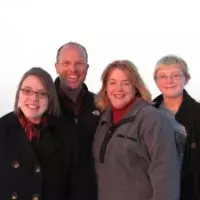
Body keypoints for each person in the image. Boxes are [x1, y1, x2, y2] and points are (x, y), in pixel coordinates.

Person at [0, 67, 96, 200]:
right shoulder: (3, 129)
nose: (34, 98)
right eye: (27, 91)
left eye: (42, 93)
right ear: (18, 94)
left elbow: (81, 188)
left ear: (50, 99)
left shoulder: (68, 134)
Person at [93, 60, 180, 200]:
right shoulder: (104, 121)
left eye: (126, 83)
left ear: (136, 87)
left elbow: (166, 176)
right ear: (105, 88)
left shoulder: (152, 120)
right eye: (112, 82)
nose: (118, 89)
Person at [153, 55, 200, 200]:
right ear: (156, 81)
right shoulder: (147, 113)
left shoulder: (197, 114)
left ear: (186, 79)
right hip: (155, 192)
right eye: (163, 76)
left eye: (175, 75)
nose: (169, 81)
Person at [54, 41, 101, 157]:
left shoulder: (100, 105)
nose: (73, 69)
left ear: (87, 68)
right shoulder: (43, 104)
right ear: (57, 67)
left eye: (79, 63)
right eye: (66, 63)